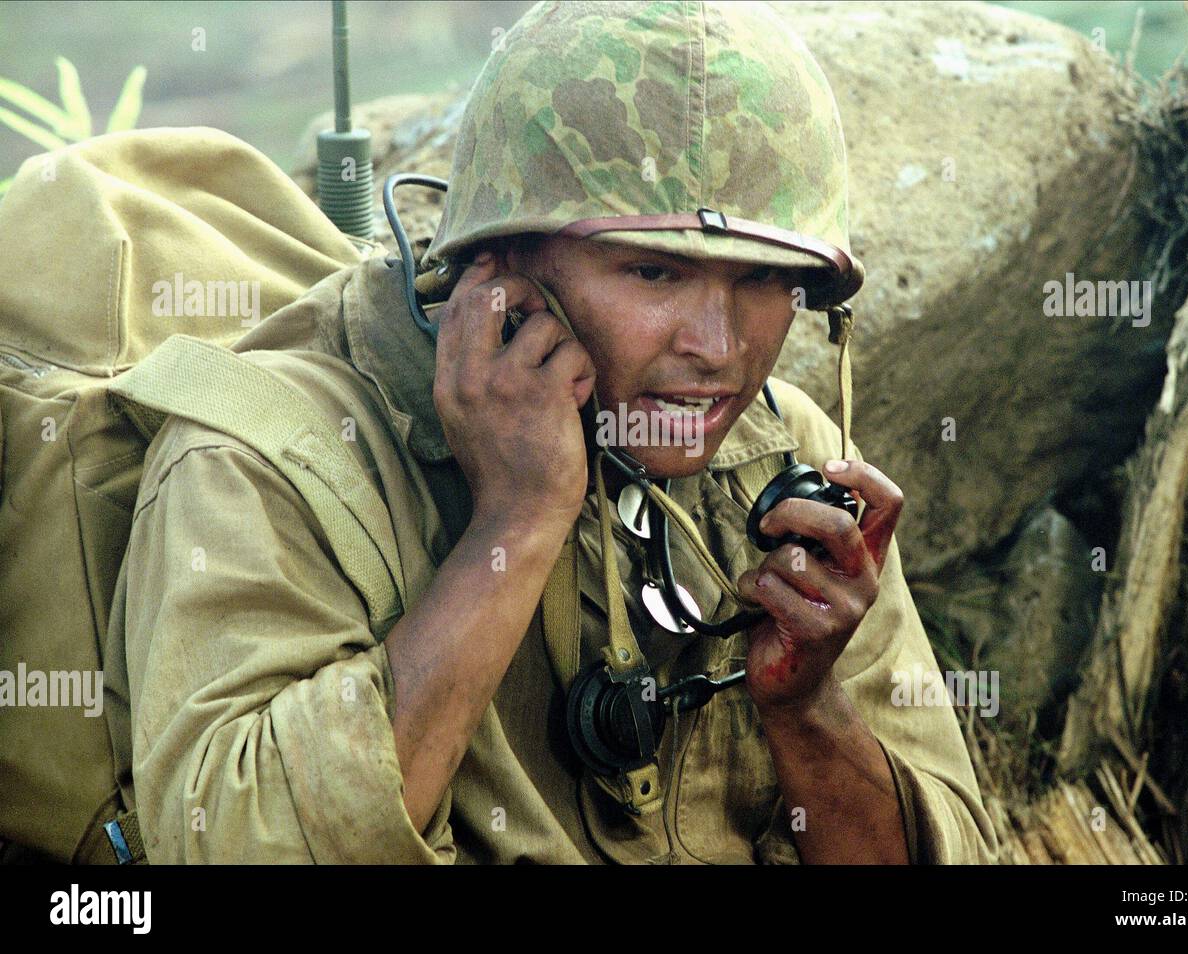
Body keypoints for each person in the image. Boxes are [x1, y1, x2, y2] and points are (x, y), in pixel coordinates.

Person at [108, 0, 997, 864]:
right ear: (500, 269)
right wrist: (518, 524)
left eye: (762, 282)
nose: (718, 349)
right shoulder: (264, 457)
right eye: (654, 272)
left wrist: (806, 709)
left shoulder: (781, 462)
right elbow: (228, 846)